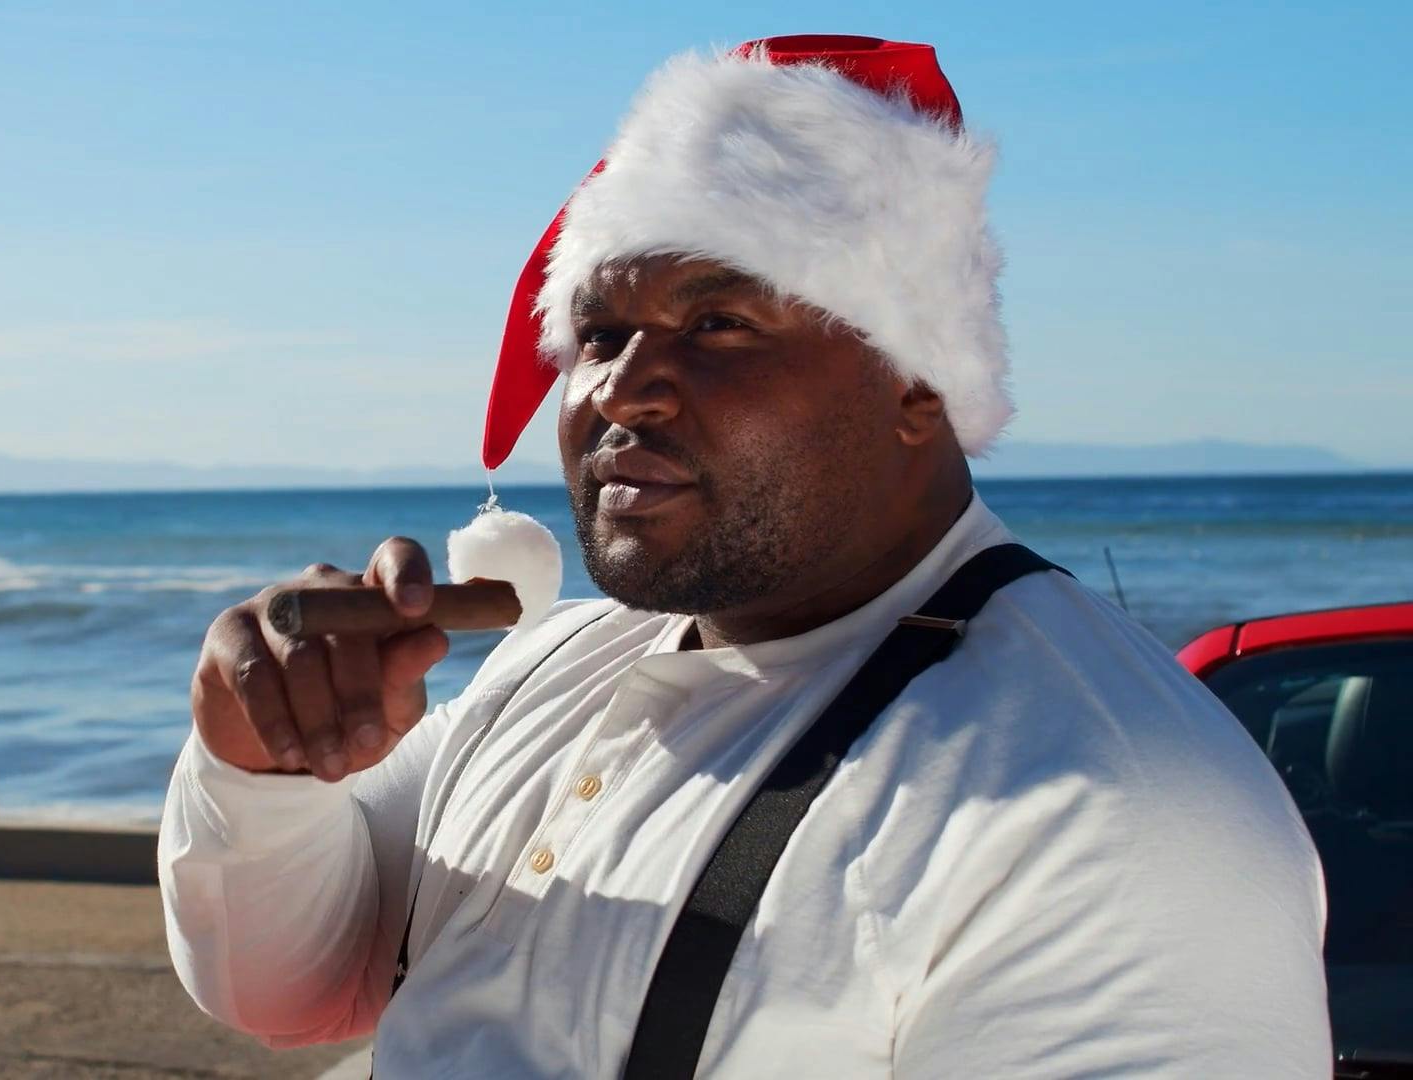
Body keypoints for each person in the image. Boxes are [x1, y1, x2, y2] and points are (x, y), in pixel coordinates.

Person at [159, 35, 1329, 1077]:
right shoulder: (548, 669)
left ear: (920, 378)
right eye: (600, 334)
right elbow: (292, 986)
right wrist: (258, 767)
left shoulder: (1109, 810)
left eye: (718, 323)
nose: (620, 386)